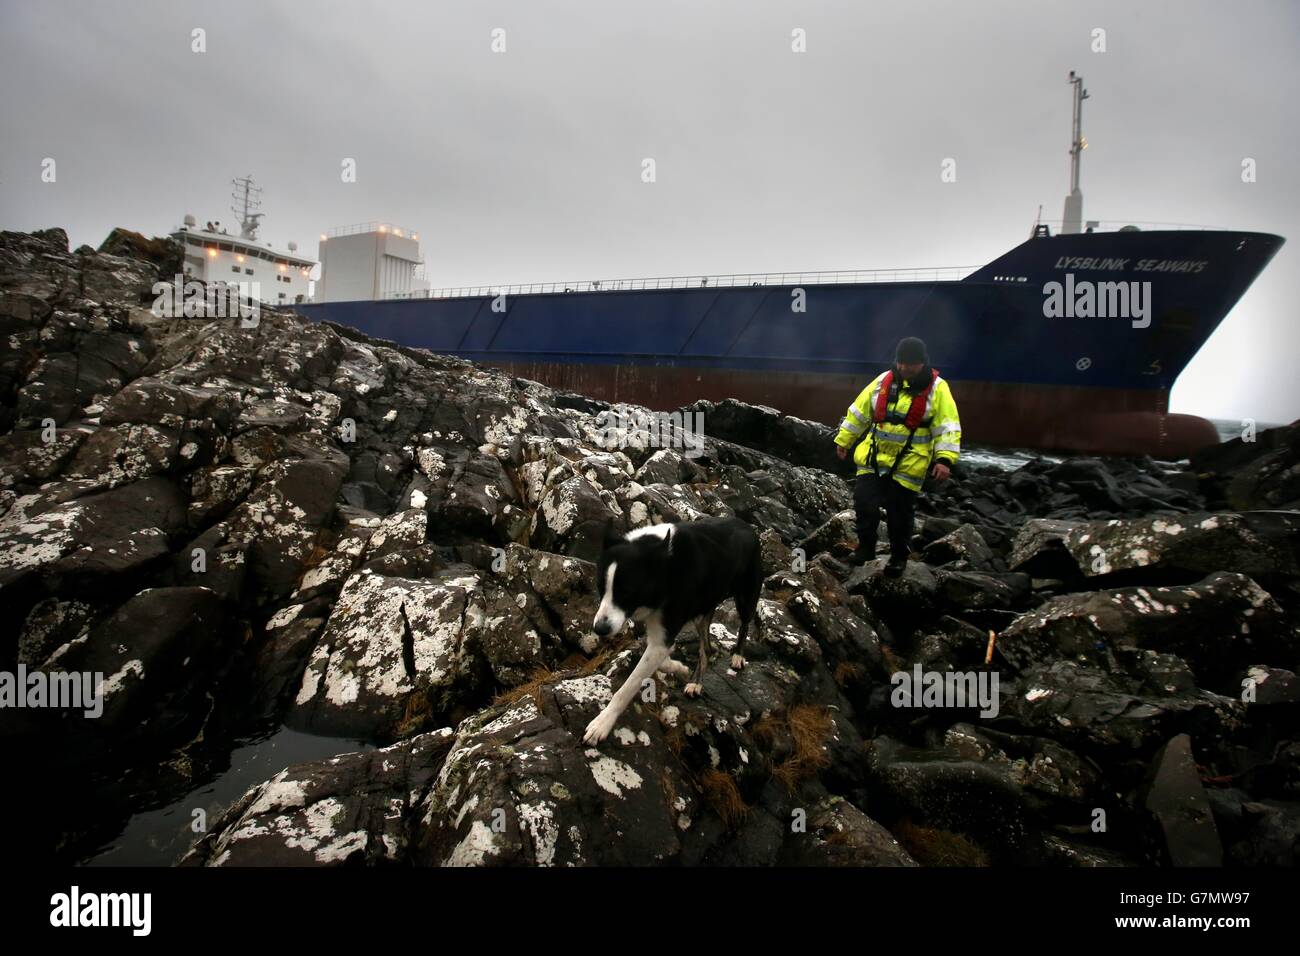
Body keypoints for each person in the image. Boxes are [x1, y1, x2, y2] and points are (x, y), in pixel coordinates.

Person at [833, 337, 961, 576]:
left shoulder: (938, 389)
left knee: (899, 513)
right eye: (901, 363)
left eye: (910, 364)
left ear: (922, 363)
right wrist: (844, 440)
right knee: (864, 504)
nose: (904, 368)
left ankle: (899, 557)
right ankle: (865, 550)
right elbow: (859, 412)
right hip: (874, 459)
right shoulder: (883, 381)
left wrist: (944, 459)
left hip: (908, 464)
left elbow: (948, 425)